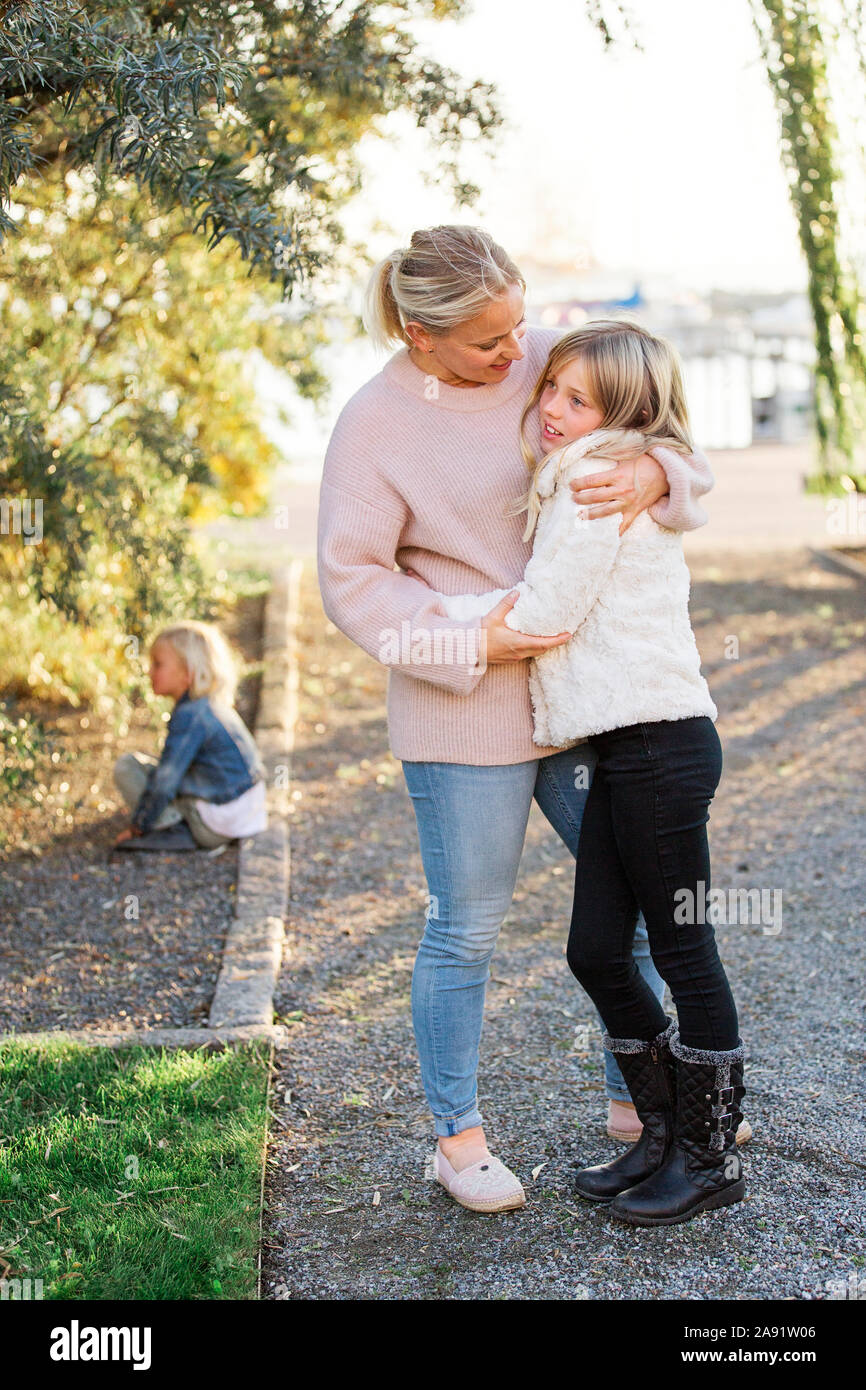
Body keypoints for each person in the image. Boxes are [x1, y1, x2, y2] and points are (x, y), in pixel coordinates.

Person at [317, 225, 715, 1214]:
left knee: (621, 916)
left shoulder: (551, 363)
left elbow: (670, 437)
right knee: (465, 928)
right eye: (491, 341)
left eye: (521, 322)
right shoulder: (372, 426)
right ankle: (457, 1142)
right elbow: (351, 585)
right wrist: (474, 644)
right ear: (419, 333)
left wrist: (658, 476)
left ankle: (645, 1102)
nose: (518, 354)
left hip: (581, 707)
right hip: (463, 715)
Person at [438, 320, 746, 1225]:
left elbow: (550, 612)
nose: (554, 411)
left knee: (685, 951)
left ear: (620, 418)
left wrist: (428, 614)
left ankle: (708, 1156)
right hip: (630, 746)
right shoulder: (613, 467)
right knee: (596, 951)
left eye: (580, 400)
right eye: (553, 390)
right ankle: (660, 1135)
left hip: (660, 741)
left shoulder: (589, 479)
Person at [112, 621, 266, 852]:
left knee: (127, 767)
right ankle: (185, 823)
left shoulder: (190, 715)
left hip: (216, 825)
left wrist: (139, 826)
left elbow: (165, 781)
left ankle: (174, 830)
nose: (149, 671)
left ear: (188, 672)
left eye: (158, 664)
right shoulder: (211, 704)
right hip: (248, 814)